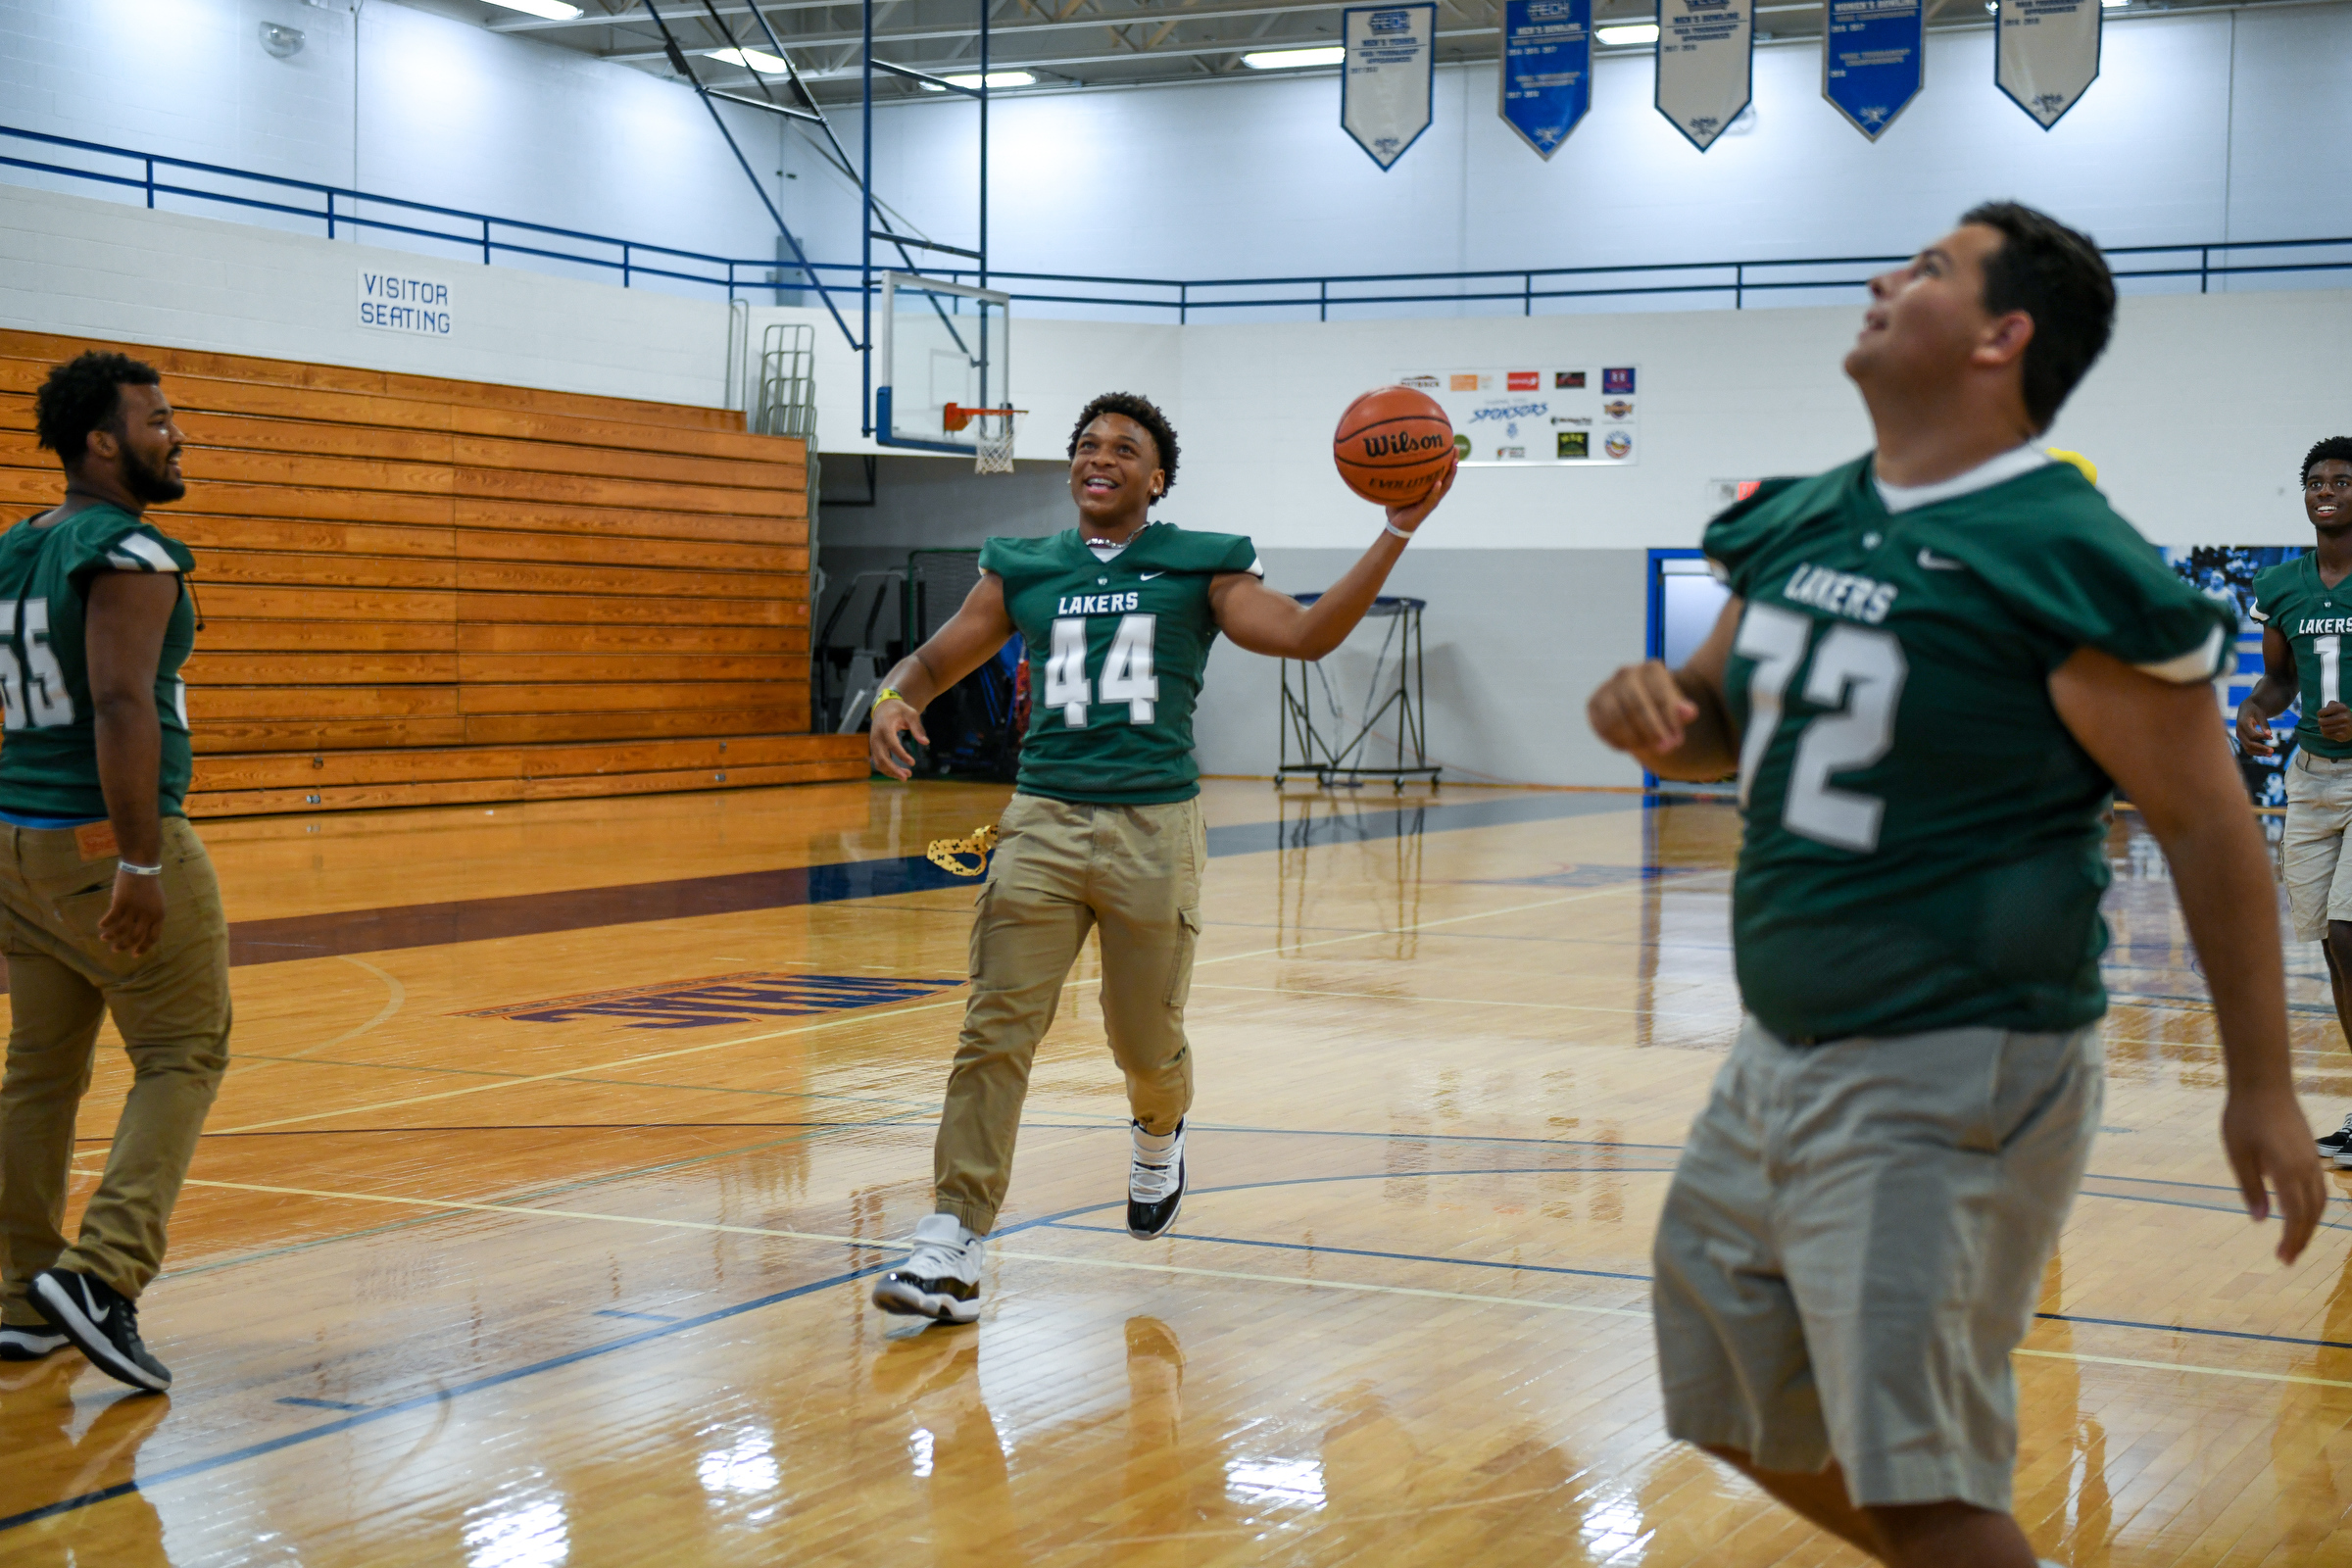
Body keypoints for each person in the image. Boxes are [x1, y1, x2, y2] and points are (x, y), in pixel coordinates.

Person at [1586, 203, 2325, 1568]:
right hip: (1781, 1047)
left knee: (1917, 1474)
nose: (1880, 276)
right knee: (1727, 1386)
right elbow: (1714, 727)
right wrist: (1651, 712)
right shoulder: (1799, 517)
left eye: (1925, 267)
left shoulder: (2064, 552)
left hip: (1960, 1052)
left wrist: (2261, 1084)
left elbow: (2208, 827)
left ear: (2004, 334)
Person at [866, 391, 1452, 1323]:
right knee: (994, 1030)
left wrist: (1393, 532)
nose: (1100, 458)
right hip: (1042, 822)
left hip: (1153, 829)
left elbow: (1303, 636)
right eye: (1087, 445)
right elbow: (929, 666)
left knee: (1143, 1042)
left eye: (1124, 449)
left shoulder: (1200, 562)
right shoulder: (1021, 568)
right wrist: (892, 696)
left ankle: (1158, 1130)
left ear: (1156, 478)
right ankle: (953, 1242)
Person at [0, 352, 230, 1393]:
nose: (175, 434)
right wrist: (139, 856)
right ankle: (102, 1277)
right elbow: (123, 705)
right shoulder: (131, 549)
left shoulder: (16, 547)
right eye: (159, 418)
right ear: (105, 439)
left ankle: (19, 1298)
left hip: (17, 841)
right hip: (105, 841)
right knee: (184, 1047)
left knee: (40, 1071)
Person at [2237, 437, 2352, 1165]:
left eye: (2343, 479)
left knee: (2350, 936)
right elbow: (2280, 679)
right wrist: (2255, 707)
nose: (2327, 490)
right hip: (2311, 781)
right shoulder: (2282, 583)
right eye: (2316, 481)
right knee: (2335, 955)